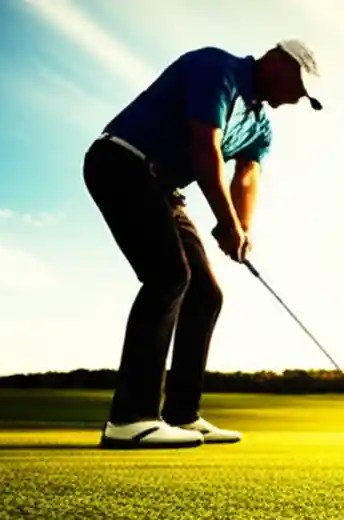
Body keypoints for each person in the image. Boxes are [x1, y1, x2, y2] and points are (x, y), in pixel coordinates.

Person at [83, 40, 323, 449]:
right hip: (121, 162)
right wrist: (225, 221)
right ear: (277, 62)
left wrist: (242, 228)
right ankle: (130, 418)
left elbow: (247, 173)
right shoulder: (218, 68)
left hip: (163, 187)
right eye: (298, 86)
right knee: (168, 276)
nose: (297, 99)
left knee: (206, 293)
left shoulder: (261, 123)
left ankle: (182, 414)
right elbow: (203, 146)